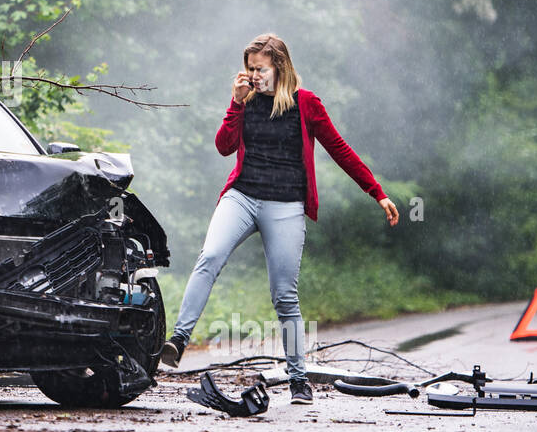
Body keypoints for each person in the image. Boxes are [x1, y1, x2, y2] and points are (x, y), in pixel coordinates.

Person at [159, 33, 399, 403]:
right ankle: (178, 339)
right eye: (249, 69)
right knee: (209, 257)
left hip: (285, 206)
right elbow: (224, 147)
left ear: (280, 67)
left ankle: (298, 379)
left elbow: (339, 149)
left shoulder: (306, 104)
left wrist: (377, 191)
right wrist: (236, 105)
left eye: (260, 69)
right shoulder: (245, 101)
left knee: (284, 295)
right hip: (242, 196)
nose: (253, 75)